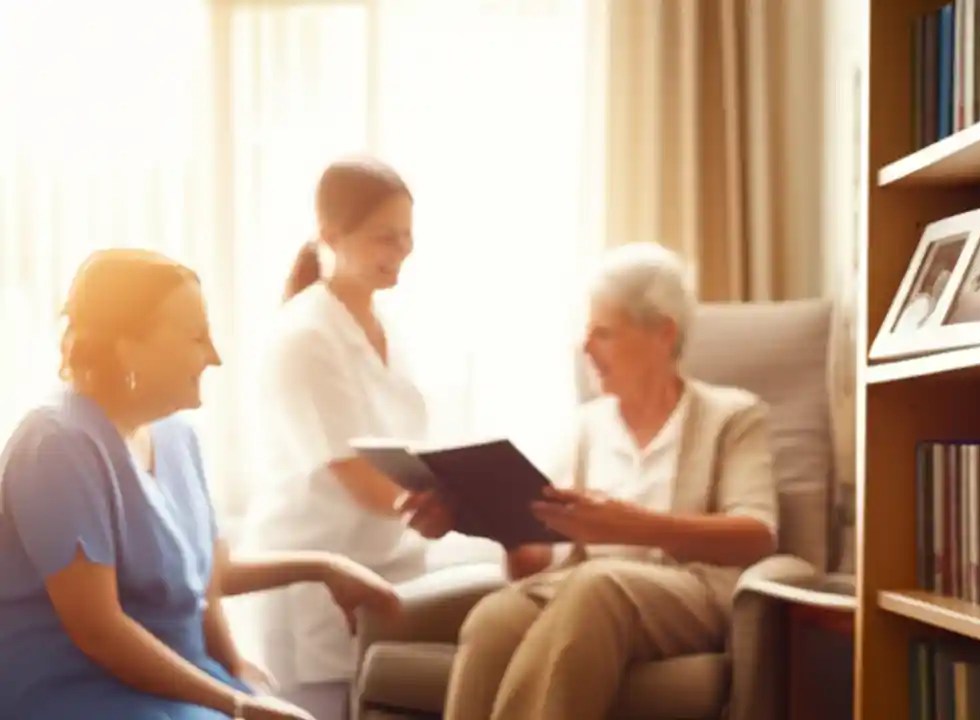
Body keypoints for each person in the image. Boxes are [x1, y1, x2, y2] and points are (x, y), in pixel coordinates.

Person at [0, 249, 402, 720]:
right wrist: (236, 704)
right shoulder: (58, 444)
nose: (214, 356)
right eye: (196, 337)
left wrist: (321, 571)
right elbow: (99, 631)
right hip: (81, 691)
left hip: (178, 681)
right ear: (128, 347)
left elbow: (207, 578)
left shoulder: (177, 436)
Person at [398, 241, 780, 720]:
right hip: (586, 589)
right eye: (586, 333)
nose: (585, 348)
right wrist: (493, 522)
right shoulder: (587, 427)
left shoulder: (734, 416)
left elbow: (758, 533)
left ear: (663, 333)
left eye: (604, 333)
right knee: (496, 617)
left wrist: (631, 526)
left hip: (690, 591)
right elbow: (542, 560)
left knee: (597, 586)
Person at [238, 158, 431, 715]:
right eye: (384, 237)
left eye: (406, 236)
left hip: (384, 569)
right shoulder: (306, 336)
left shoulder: (386, 328)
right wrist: (451, 508)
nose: (400, 251)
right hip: (312, 582)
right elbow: (358, 477)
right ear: (331, 235)